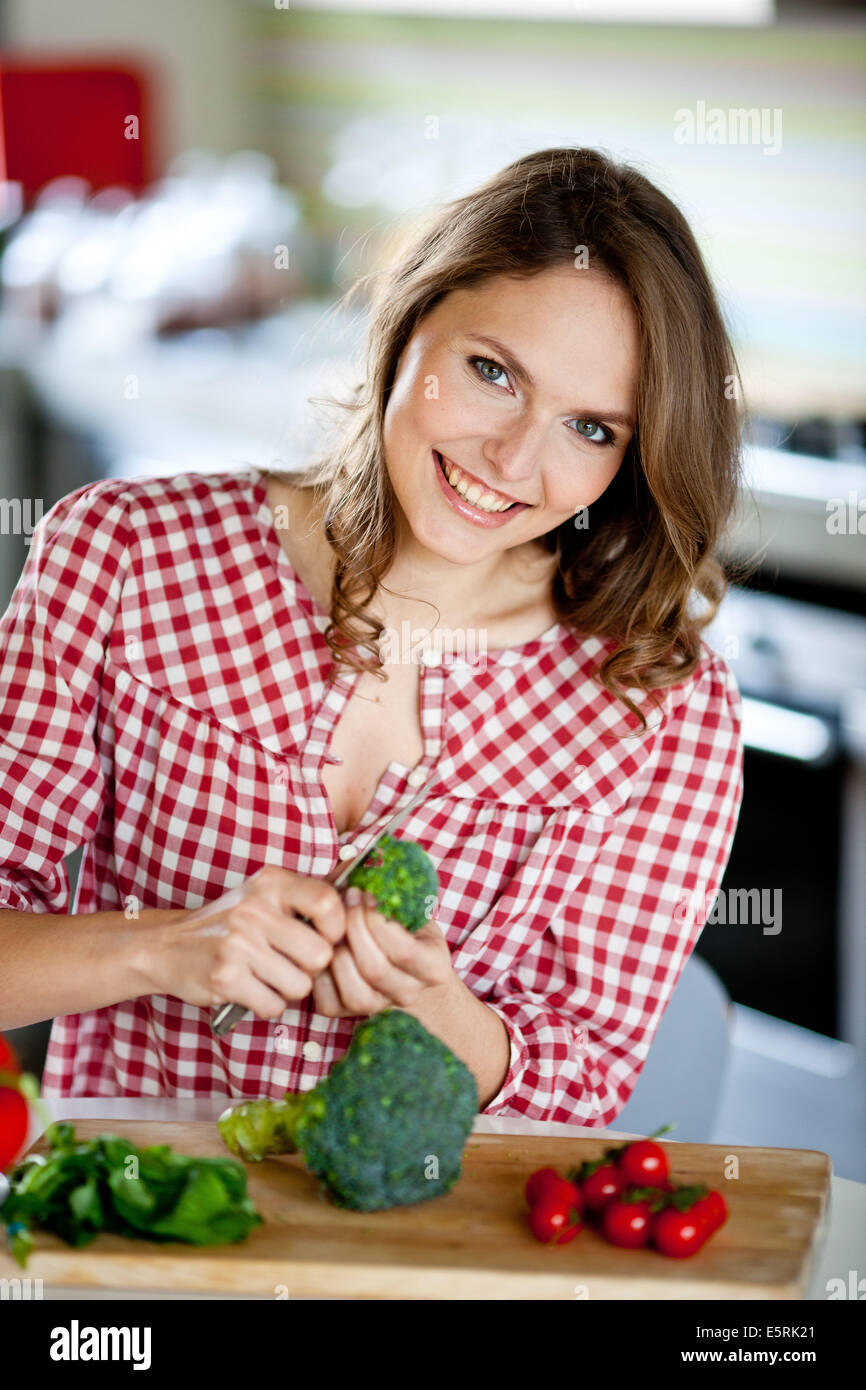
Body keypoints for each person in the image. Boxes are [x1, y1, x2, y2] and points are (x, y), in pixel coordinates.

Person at [0, 147, 745, 1120]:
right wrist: (164, 944)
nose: (514, 458)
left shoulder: (662, 714)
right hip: (131, 1241)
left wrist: (439, 1013)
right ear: (408, 323)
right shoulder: (122, 555)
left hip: (433, 1259)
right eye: (491, 372)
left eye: (591, 428)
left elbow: (587, 1078)